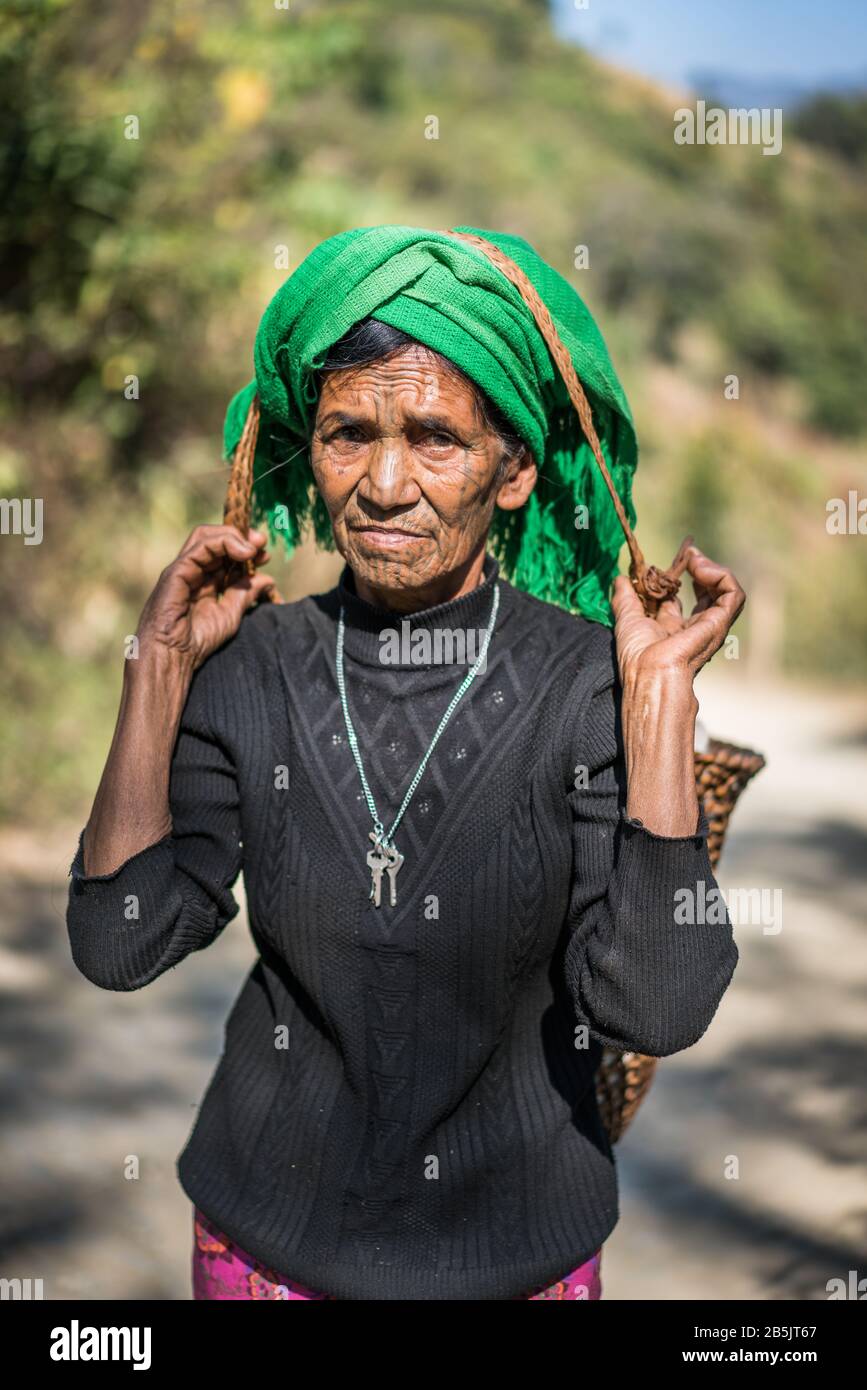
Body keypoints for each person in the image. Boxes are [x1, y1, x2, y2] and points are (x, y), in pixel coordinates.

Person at [66, 225, 743, 1301]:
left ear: (514, 470)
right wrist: (159, 668)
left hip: (517, 1258)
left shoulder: (586, 685)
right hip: (265, 1245)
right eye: (347, 434)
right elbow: (118, 939)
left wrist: (657, 702)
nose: (384, 483)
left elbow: (655, 1006)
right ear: (313, 450)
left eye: (435, 437)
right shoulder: (255, 668)